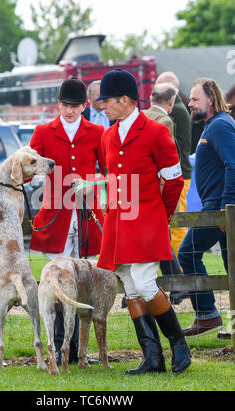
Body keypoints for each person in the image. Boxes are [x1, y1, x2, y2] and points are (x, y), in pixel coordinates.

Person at [96, 68, 191, 375]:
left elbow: (174, 181)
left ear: (125, 100)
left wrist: (158, 216)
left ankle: (179, 343)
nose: (103, 106)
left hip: (147, 220)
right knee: (131, 287)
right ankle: (152, 357)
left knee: (146, 282)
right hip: (118, 223)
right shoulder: (108, 135)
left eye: (107, 100)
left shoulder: (156, 131)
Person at [29, 77, 106, 365]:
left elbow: (108, 168)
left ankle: (76, 351)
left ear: (85, 105)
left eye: (75, 106)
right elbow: (30, 164)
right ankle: (61, 348)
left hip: (87, 214)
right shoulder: (43, 131)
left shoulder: (97, 131)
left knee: (82, 282)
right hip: (56, 216)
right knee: (61, 281)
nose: (70, 111)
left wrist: (91, 181)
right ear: (58, 104)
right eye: (65, 105)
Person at [178, 77, 235, 337]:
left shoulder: (219, 126)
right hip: (219, 203)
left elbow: (233, 164)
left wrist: (226, 207)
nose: (189, 103)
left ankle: (207, 316)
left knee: (187, 253)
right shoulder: (215, 124)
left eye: (194, 98)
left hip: (219, 205)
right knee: (230, 263)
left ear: (210, 100)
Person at [144, 82, 187, 305]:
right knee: (162, 237)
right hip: (157, 190)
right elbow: (167, 161)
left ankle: (173, 285)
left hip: (138, 189)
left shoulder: (140, 116)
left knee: (157, 239)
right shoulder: (165, 121)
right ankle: (177, 285)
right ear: (171, 102)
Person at [155, 72, 192, 257]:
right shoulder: (177, 109)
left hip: (177, 177)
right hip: (179, 175)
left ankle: (181, 272)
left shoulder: (174, 111)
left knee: (177, 225)